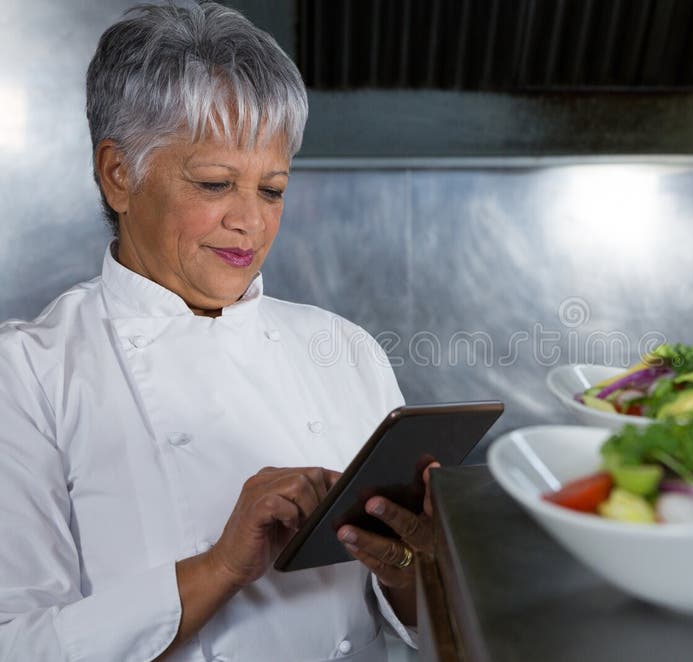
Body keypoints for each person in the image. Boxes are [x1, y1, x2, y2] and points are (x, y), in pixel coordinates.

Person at [0, 3, 432, 660]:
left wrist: (406, 575)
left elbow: (416, 624)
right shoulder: (29, 374)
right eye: (214, 183)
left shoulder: (345, 349)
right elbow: (18, 643)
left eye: (272, 189)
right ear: (119, 175)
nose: (249, 224)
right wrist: (222, 566)